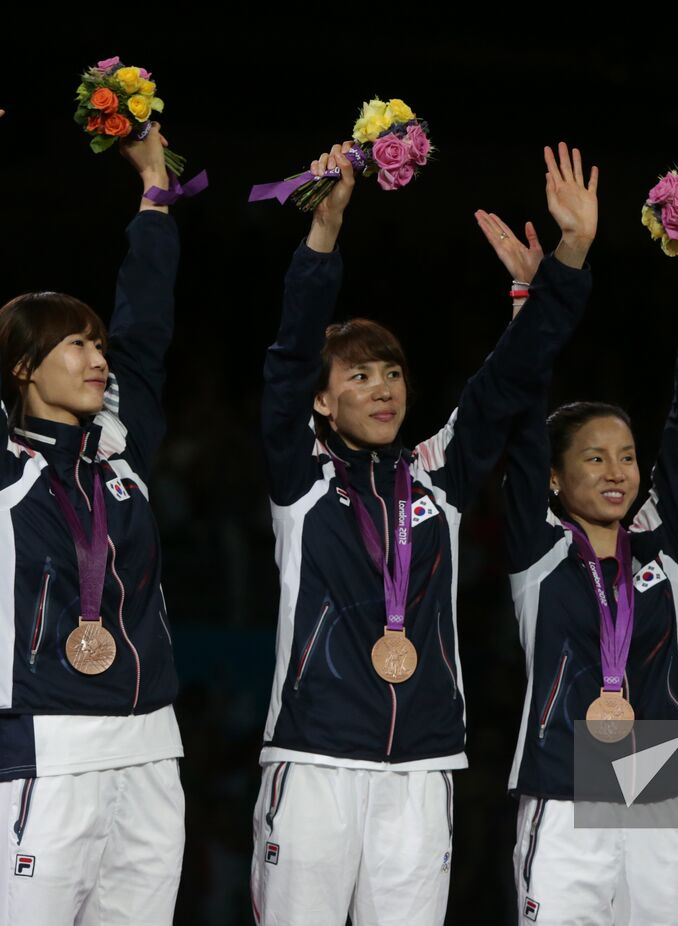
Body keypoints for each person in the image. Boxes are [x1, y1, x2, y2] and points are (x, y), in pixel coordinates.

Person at [251, 142, 598, 925]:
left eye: (393, 373)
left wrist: (567, 262)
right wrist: (324, 235)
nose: (382, 389)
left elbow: (506, 385)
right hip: (315, 761)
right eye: (359, 376)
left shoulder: (435, 477)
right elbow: (285, 362)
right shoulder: (301, 477)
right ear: (321, 403)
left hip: (424, 764)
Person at [0, 83, 188, 925]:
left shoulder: (119, 450)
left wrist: (156, 196)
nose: (98, 356)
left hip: (151, 754)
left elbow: (147, 325)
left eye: (96, 342)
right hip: (50, 751)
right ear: (26, 370)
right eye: (76, 343)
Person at [475, 208, 678, 924]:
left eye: (626, 456)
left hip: (659, 796)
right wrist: (531, 301)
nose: (618, 471)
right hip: (565, 794)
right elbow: (522, 423)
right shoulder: (540, 551)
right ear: (555, 479)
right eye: (595, 457)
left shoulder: (660, 546)